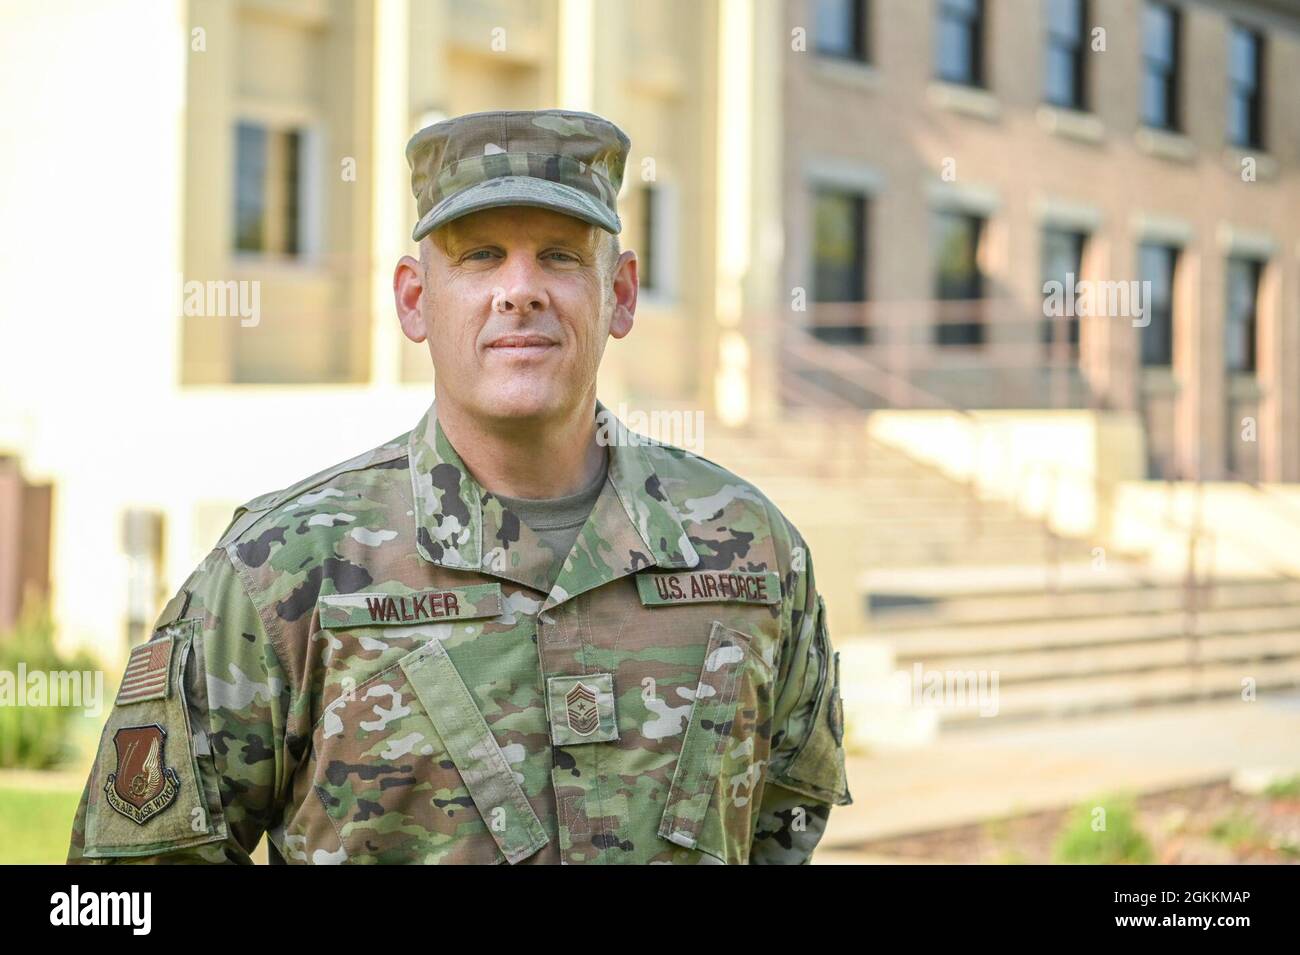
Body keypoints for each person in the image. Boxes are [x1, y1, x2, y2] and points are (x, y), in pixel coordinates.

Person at [67, 108, 850, 865]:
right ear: (414, 299)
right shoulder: (284, 569)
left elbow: (782, 823)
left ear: (621, 294)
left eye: (561, 255)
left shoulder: (750, 552)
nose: (520, 290)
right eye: (479, 255)